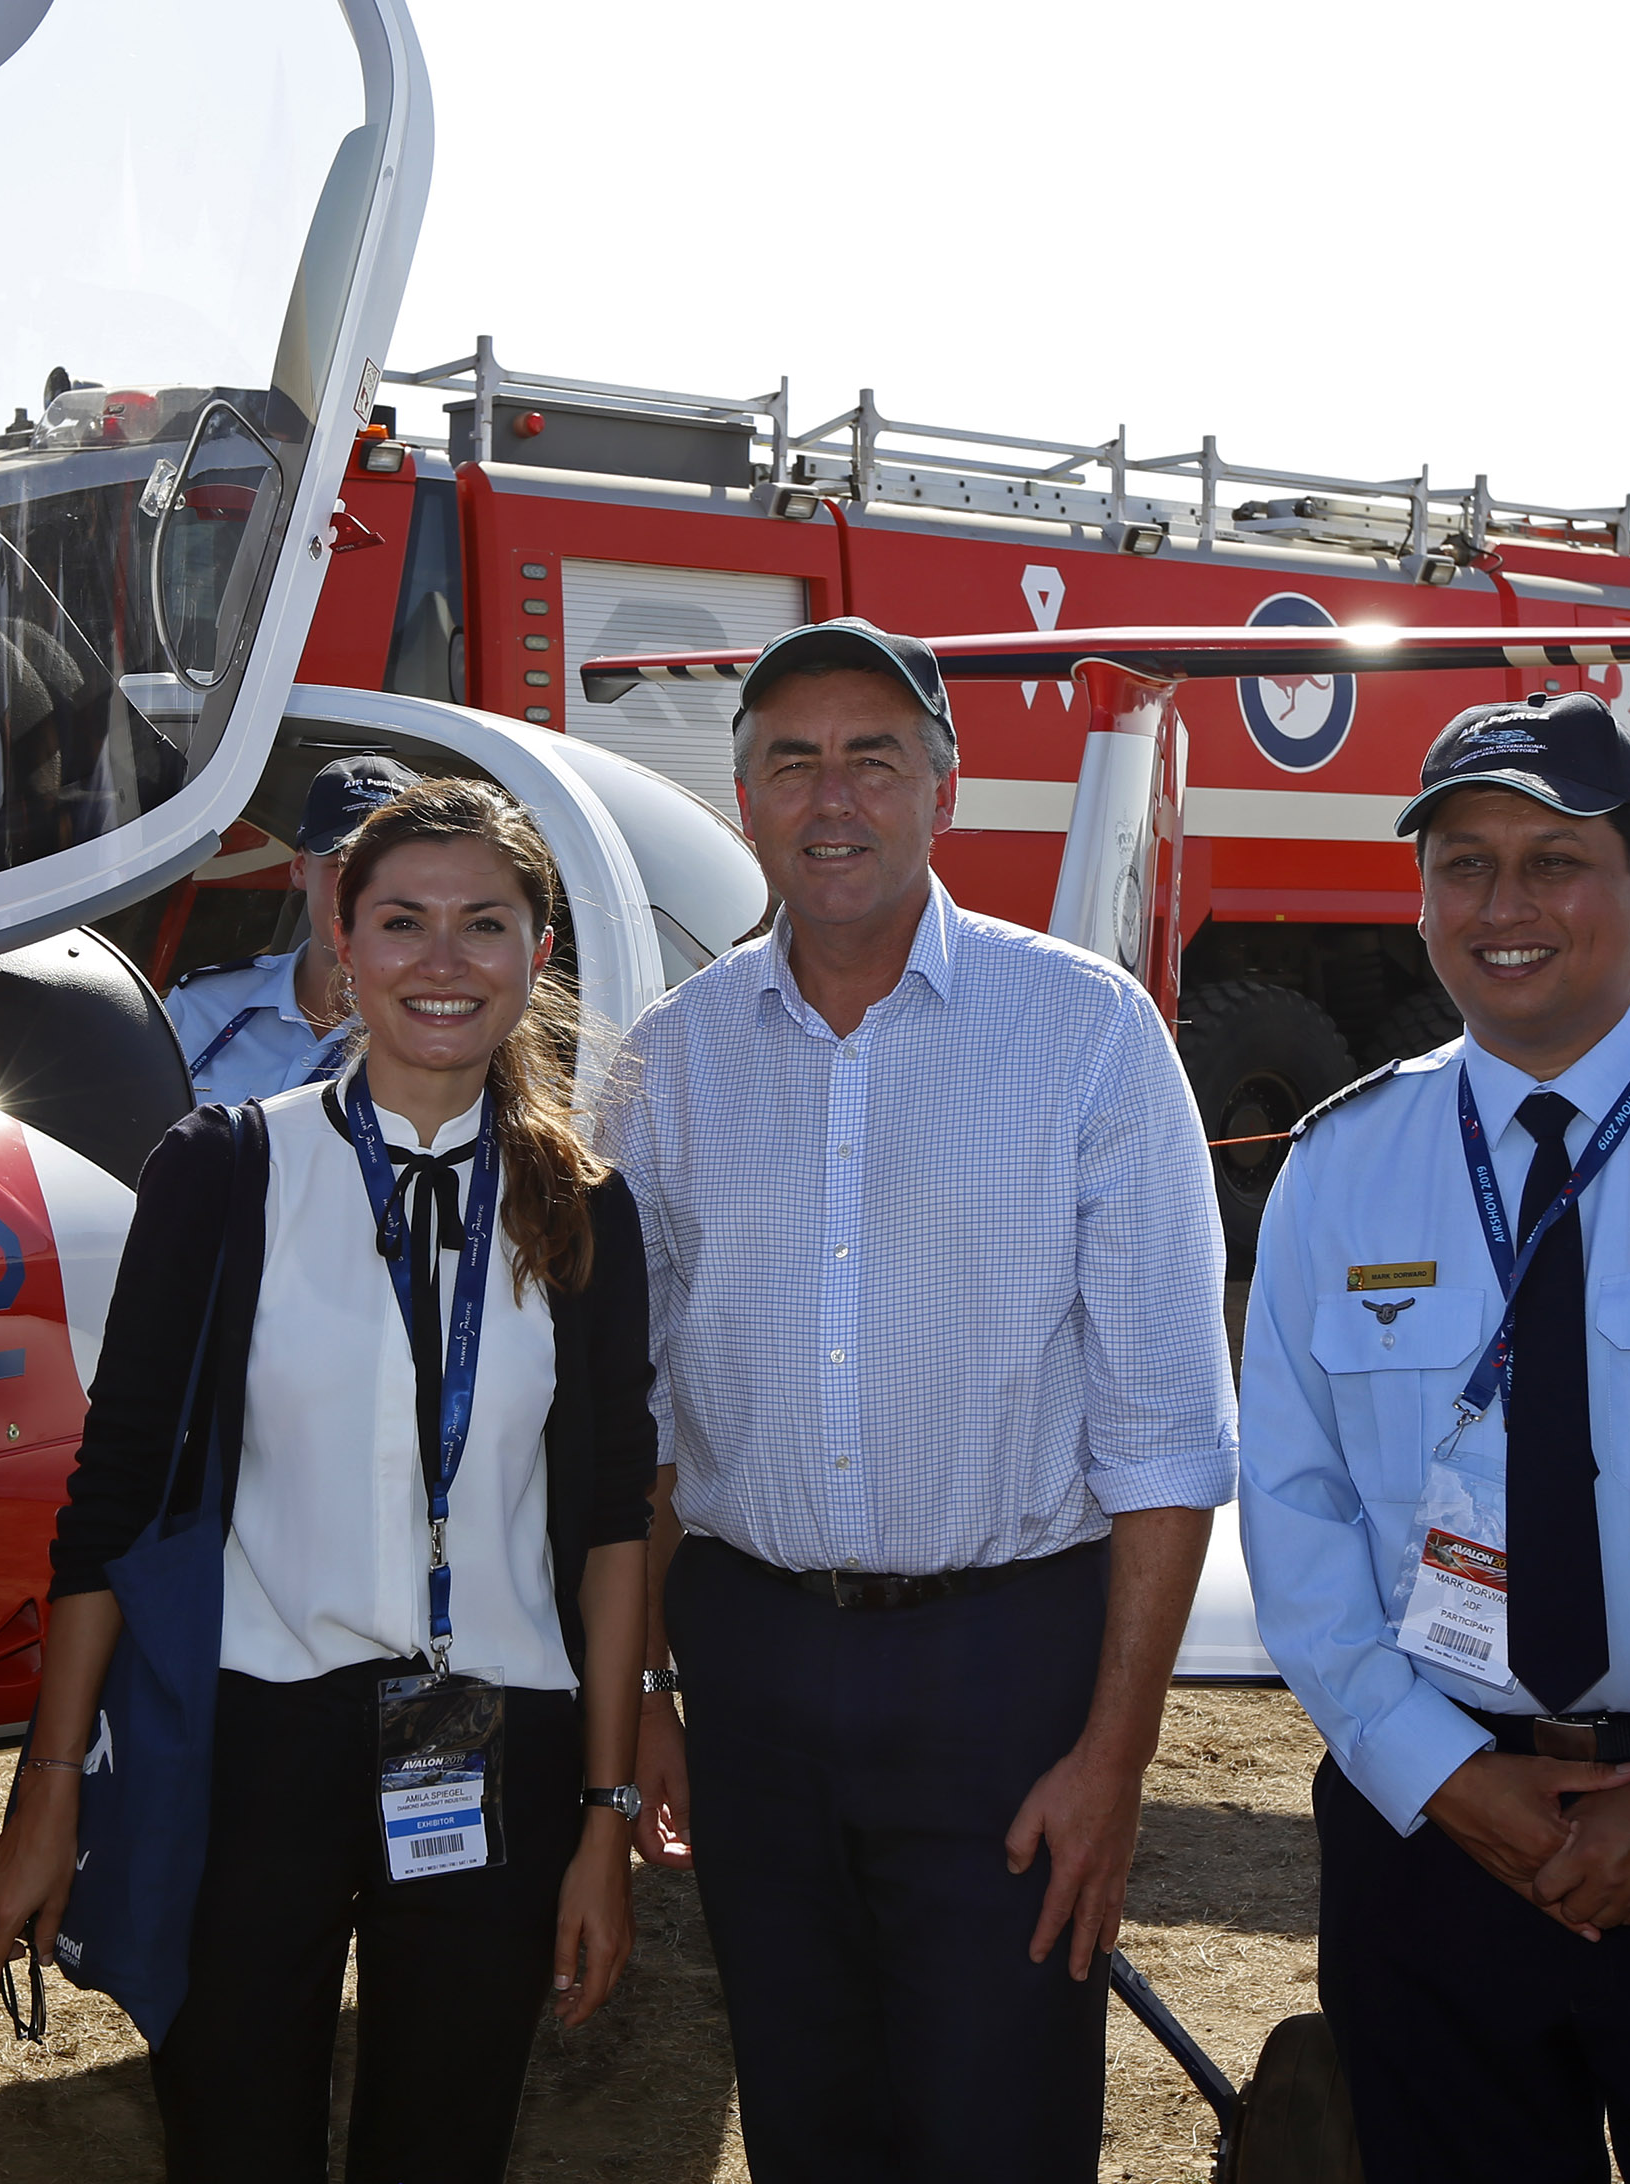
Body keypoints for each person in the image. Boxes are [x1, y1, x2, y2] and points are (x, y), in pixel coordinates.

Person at [602, 617, 1234, 2181]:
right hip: (750, 1664)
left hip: (1003, 1670)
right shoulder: (669, 1065)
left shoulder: (1088, 1034)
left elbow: (1164, 1435)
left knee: (999, 2125)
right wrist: (659, 1696)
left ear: (944, 791)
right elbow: (647, 1424)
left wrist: (1117, 1757)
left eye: (873, 759)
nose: (833, 798)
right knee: (808, 2118)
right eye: (791, 761)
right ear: (740, 799)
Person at [0, 777, 655, 2183]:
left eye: (486, 924)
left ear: (539, 955)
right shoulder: (225, 1170)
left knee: (443, 2146)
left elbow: (606, 1530)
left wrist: (601, 1821)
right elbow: (110, 1506)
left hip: (485, 1742)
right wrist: (47, 1793)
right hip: (254, 1747)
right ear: (342, 940)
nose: (442, 961)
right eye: (402, 921)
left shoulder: (581, 1207)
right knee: (234, 2140)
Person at [1237, 691, 1630, 2181]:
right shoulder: (1340, 1164)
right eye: (1464, 865)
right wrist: (1438, 1773)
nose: (1505, 906)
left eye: (1554, 861)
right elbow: (1293, 1511)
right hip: (1432, 1833)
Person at [163, 754, 418, 1101]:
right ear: (299, 869)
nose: (365, 890)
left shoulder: (442, 1032)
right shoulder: (201, 1007)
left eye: (390, 867)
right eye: (342, 864)